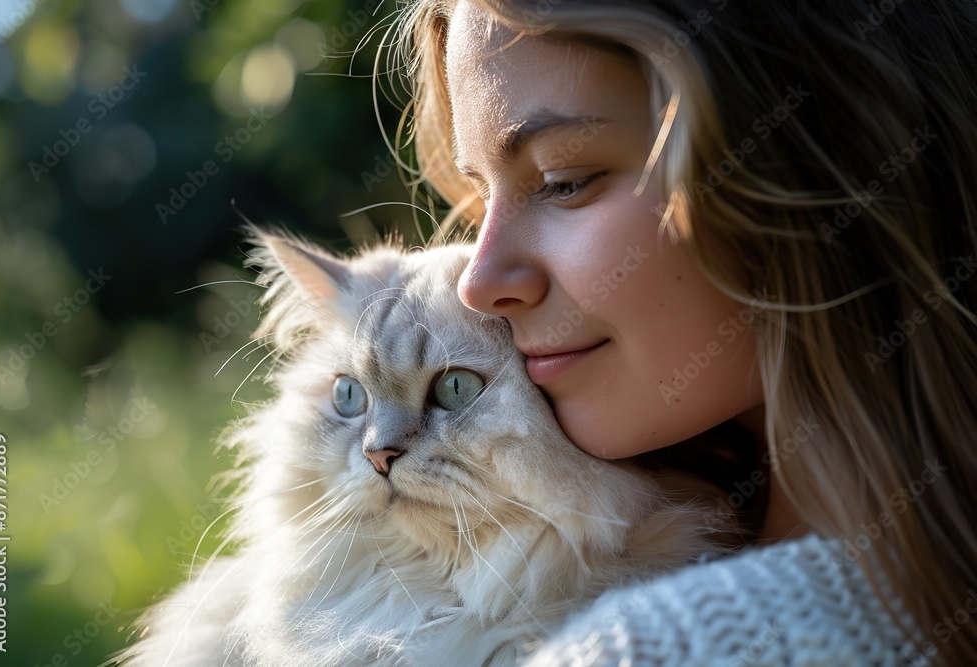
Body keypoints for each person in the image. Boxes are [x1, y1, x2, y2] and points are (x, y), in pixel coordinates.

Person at [386, 0, 977, 664]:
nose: (479, 279)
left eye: (564, 181)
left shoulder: (663, 646)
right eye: (479, 195)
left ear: (815, 161)